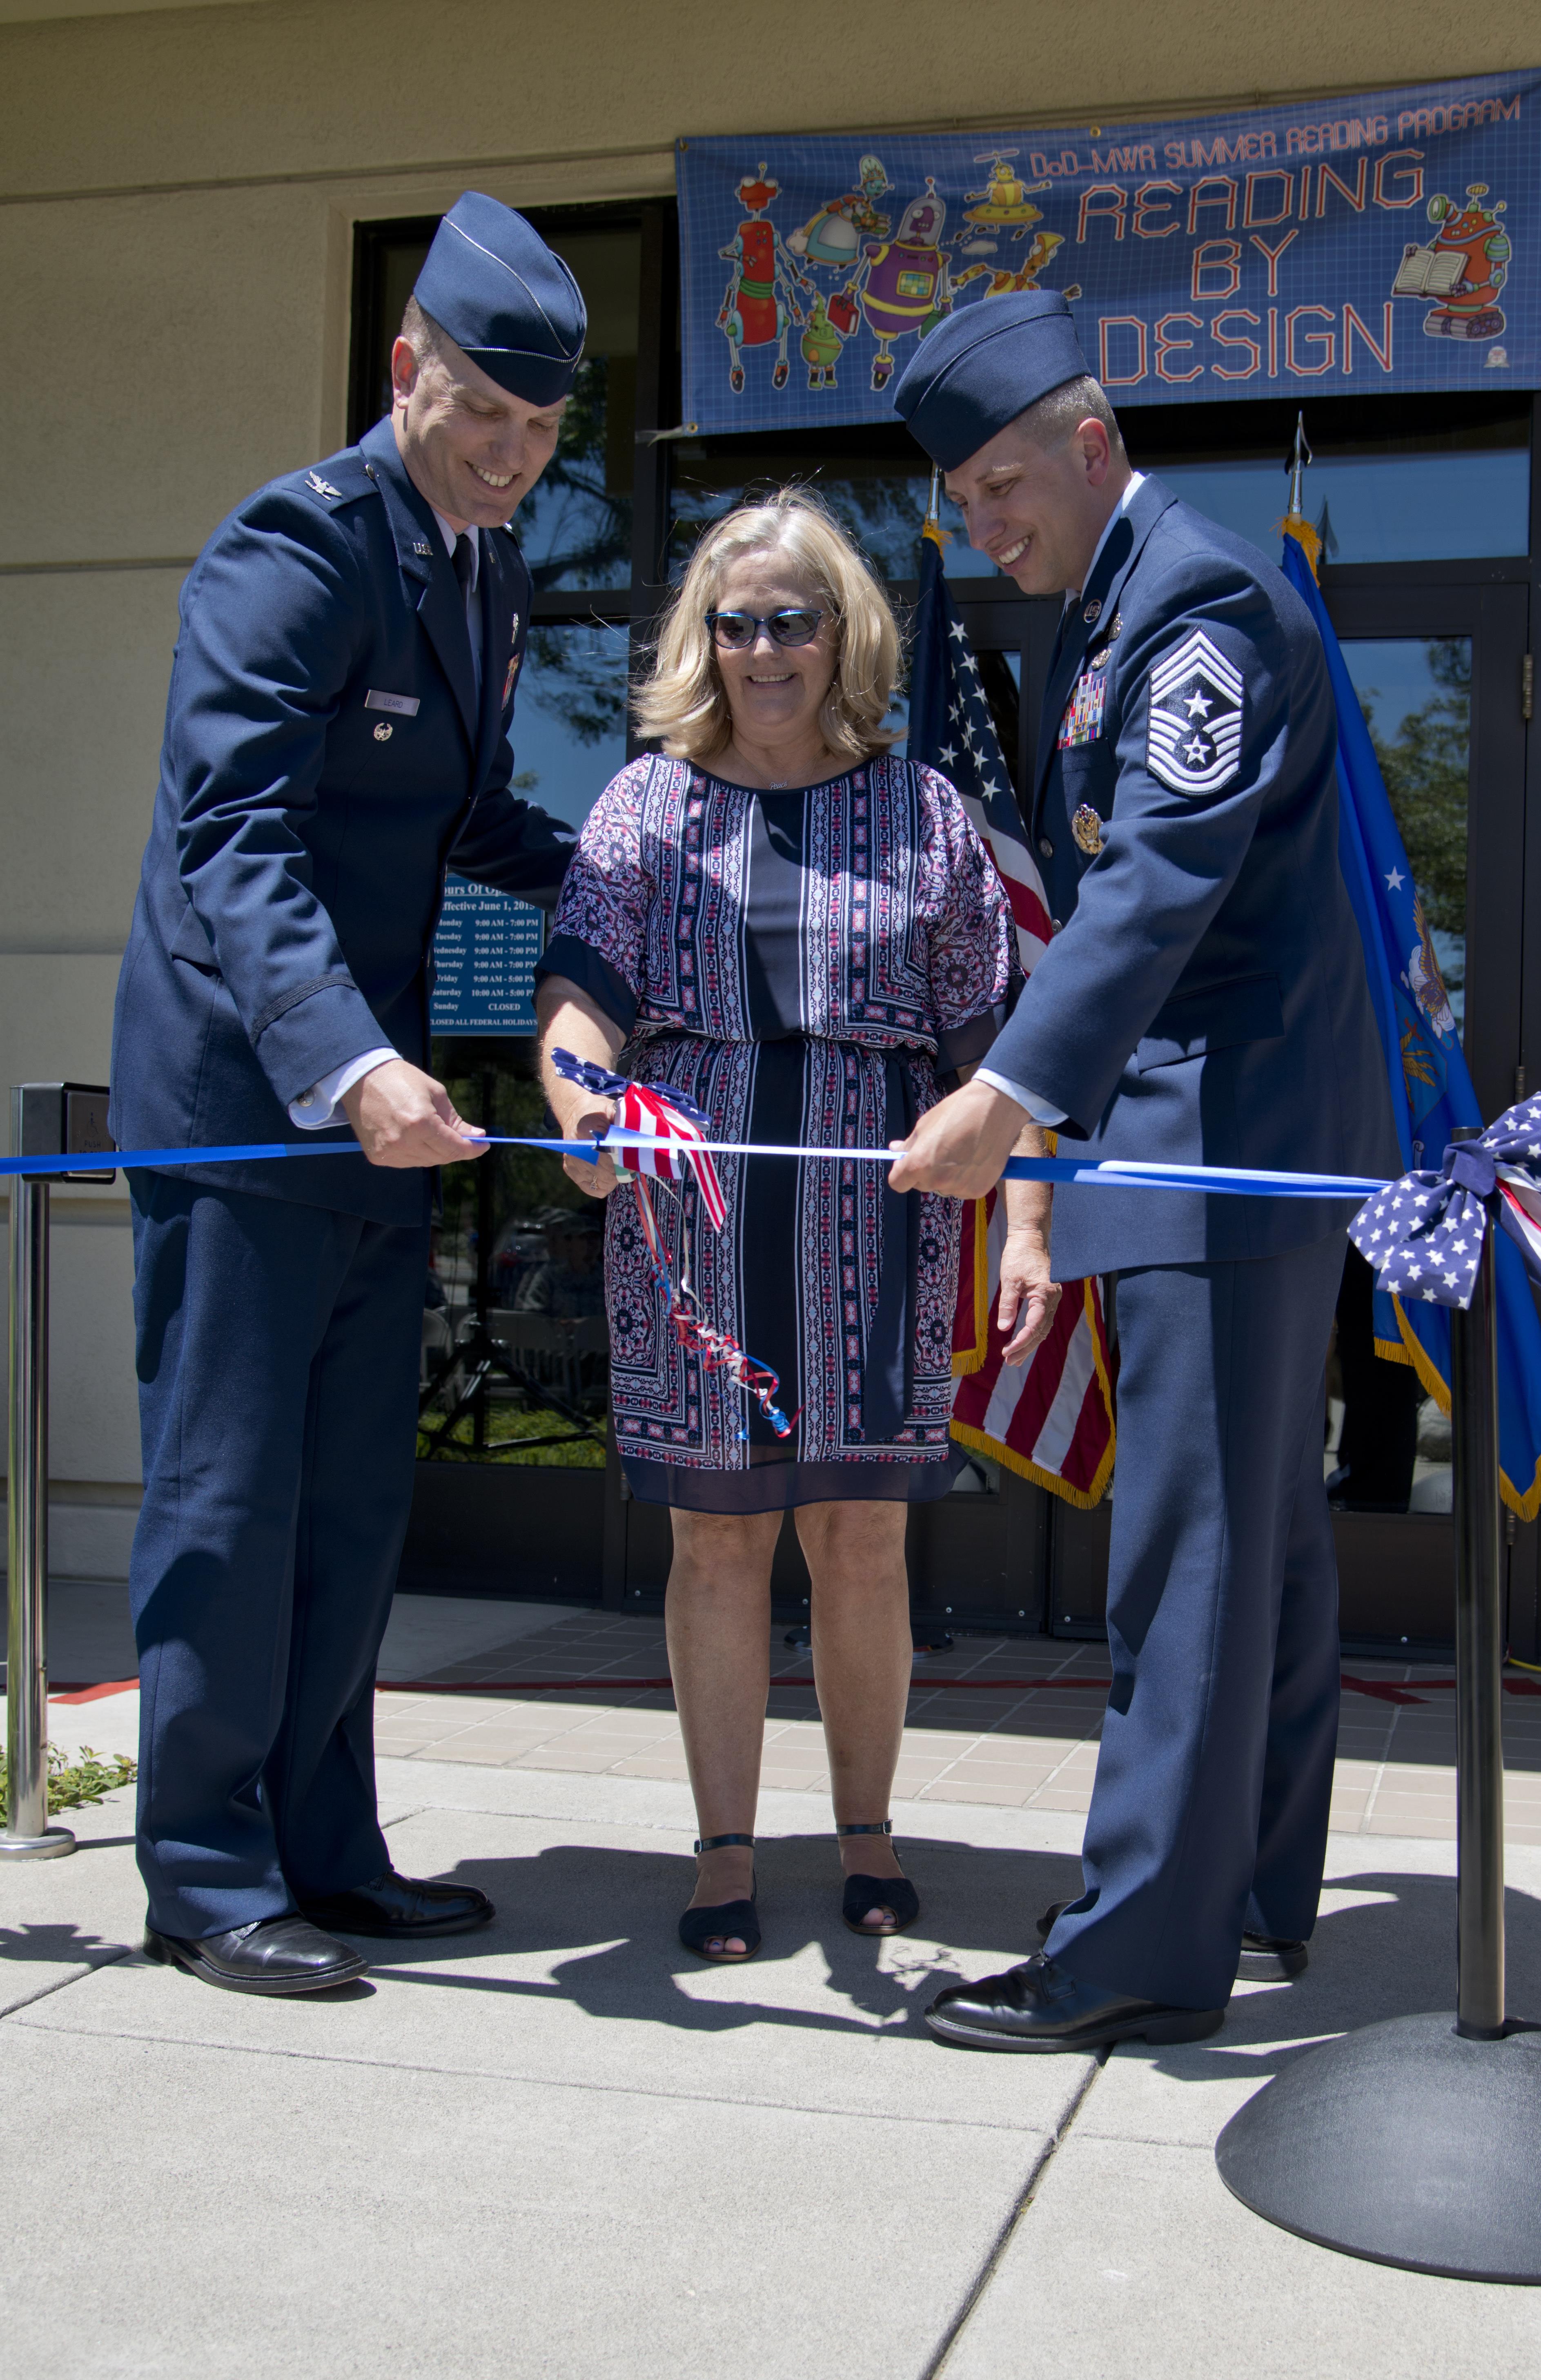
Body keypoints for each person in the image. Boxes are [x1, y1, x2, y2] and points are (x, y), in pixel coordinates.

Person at [885, 294, 1398, 2051]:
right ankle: (1240, 1889)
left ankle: (1133, 1953)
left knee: (1189, 1551)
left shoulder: (1193, 601)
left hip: (1225, 1142)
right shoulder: (1114, 605)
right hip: (1209, 1137)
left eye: (1004, 481)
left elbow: (1162, 879)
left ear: (1093, 442)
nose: (983, 524)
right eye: (961, 498)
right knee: (1254, 1539)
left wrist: (1011, 1095)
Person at [110, 192, 586, 1995]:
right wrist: (353, 1058)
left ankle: (328, 1843)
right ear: (409, 372)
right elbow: (235, 837)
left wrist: (634, 862)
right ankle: (207, 1867)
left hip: (379, 1116)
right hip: (257, 1100)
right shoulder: (292, 553)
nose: (514, 460)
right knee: (230, 1502)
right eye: (488, 417)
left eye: (544, 435)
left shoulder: (485, 568)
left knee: (351, 1505)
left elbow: (465, 817)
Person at [534, 489, 1058, 1961]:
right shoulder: (644, 802)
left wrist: (1023, 1230)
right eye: (739, 621)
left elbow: (992, 1050)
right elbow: (581, 994)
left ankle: (870, 1834)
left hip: (875, 1229)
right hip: (691, 1226)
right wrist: (585, 1108)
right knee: (713, 1546)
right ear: (707, 638)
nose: (767, 651)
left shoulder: (925, 811)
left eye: (797, 621)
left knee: (863, 1542)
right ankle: (720, 1851)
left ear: (845, 637)